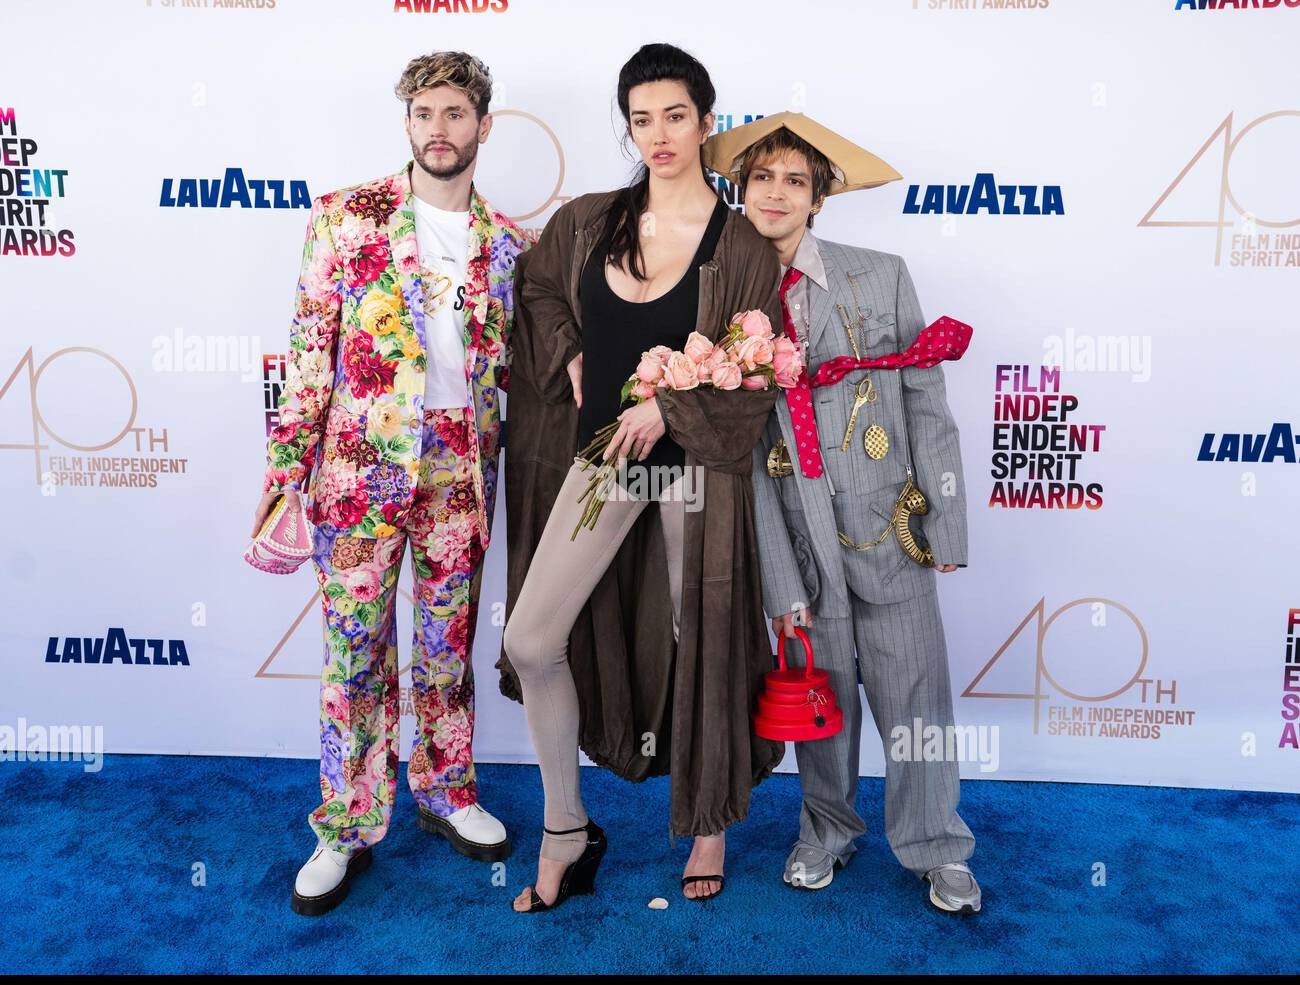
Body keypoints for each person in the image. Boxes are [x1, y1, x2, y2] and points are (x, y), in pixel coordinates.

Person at [496, 42, 785, 912]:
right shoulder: (589, 220)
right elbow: (538, 288)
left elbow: (755, 367)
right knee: (529, 640)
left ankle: (707, 822)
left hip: (694, 471)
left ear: (705, 120)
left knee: (703, 640)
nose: (658, 135)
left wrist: (671, 405)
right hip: (605, 464)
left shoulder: (741, 244)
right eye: (641, 119)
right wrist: (572, 351)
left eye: (674, 116)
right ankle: (566, 828)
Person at [252, 51, 529, 916]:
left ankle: (447, 790)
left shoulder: (511, 243)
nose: (438, 129)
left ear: (484, 124)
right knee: (354, 652)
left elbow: (514, 368)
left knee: (447, 647)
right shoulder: (345, 219)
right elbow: (307, 354)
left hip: (459, 468)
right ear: (406, 122)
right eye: (423, 113)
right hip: (356, 468)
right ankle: (345, 821)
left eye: (455, 113)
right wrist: (282, 478)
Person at [703, 113, 982, 913]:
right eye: (762, 178)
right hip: (802, 543)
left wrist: (947, 522)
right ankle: (825, 829)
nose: (777, 193)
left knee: (915, 697)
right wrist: (779, 577)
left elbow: (927, 401)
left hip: (892, 532)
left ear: (819, 197)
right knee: (820, 705)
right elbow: (739, 459)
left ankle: (936, 841)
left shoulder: (880, 275)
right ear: (740, 189)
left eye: (796, 179)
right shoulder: (722, 298)